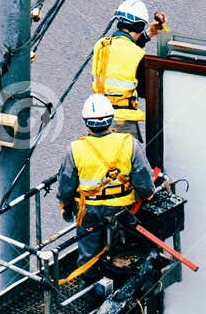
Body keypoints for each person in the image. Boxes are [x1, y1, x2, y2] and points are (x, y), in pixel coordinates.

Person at [57, 94, 156, 273]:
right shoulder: (129, 143)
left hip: (90, 211)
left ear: (86, 121)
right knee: (124, 249)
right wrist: (147, 195)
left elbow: (66, 186)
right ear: (111, 119)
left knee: (89, 254)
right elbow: (143, 180)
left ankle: (90, 284)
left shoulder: (75, 149)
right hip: (122, 209)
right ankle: (118, 276)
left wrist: (66, 206)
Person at [91, 0, 167, 140]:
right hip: (124, 123)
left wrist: (148, 34)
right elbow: (147, 91)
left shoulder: (101, 46)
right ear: (139, 26)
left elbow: (123, 53)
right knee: (131, 160)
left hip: (98, 118)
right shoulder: (137, 54)